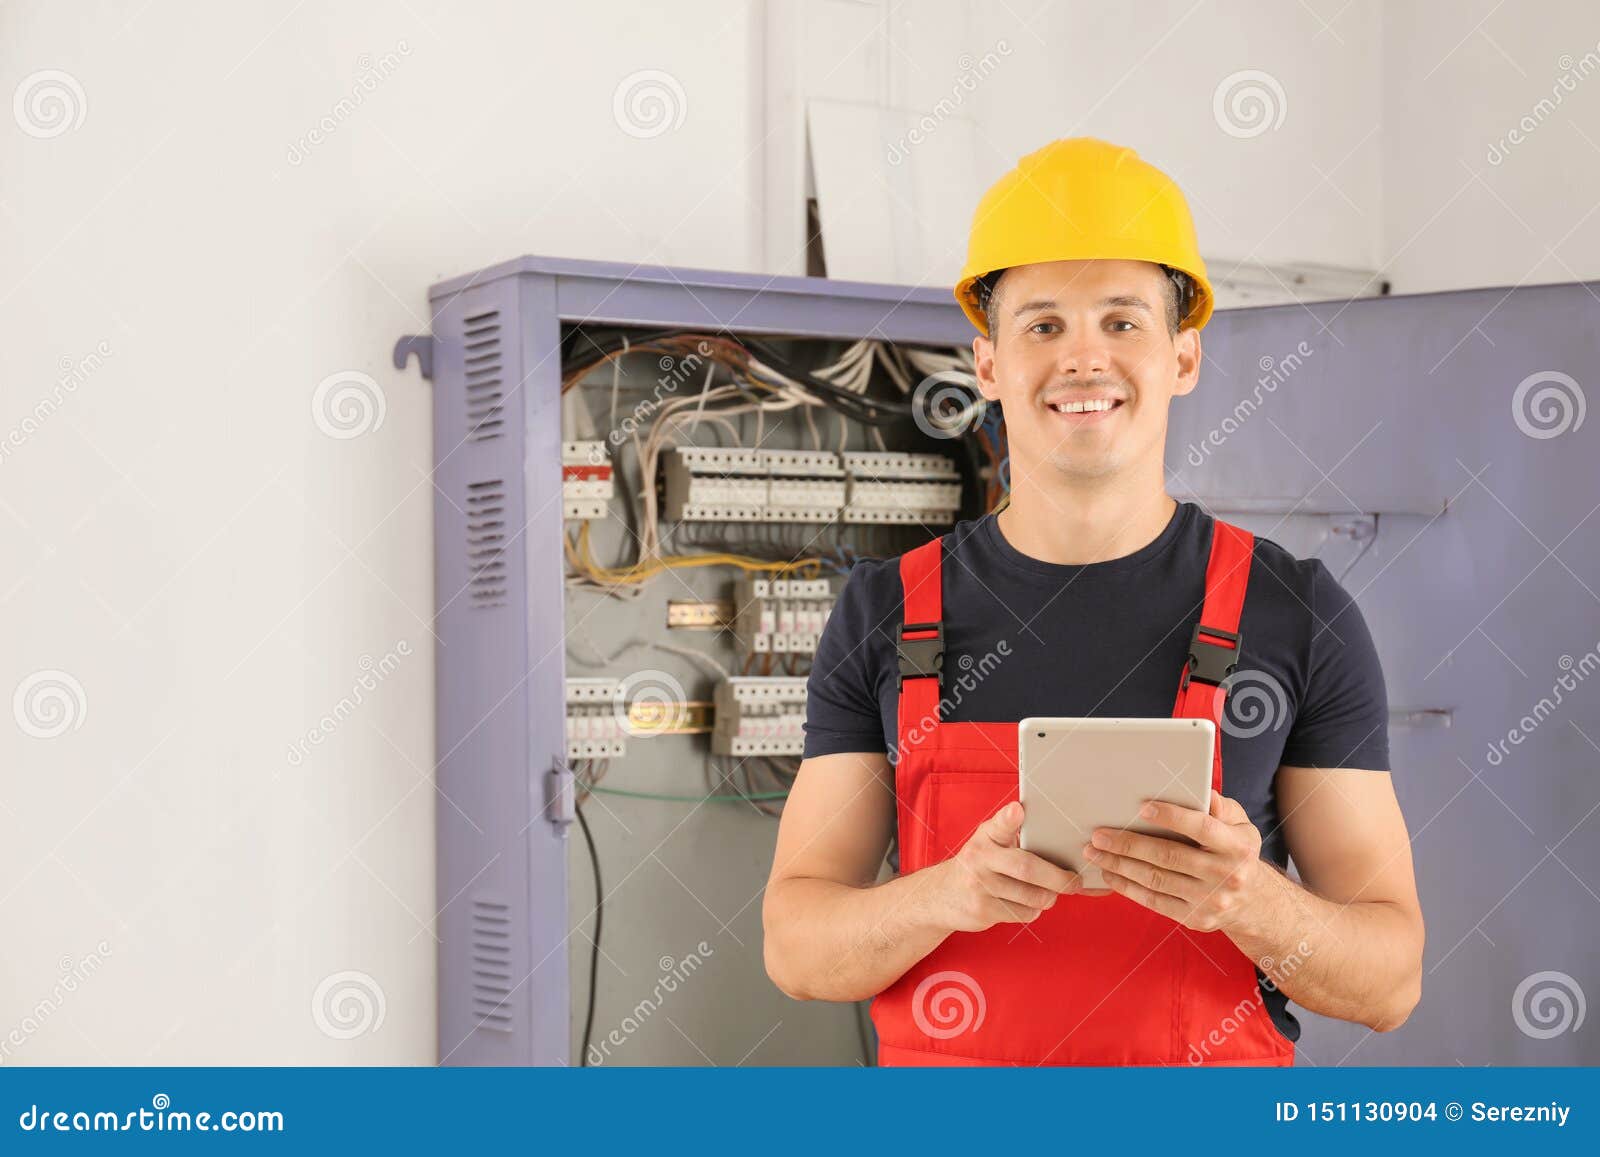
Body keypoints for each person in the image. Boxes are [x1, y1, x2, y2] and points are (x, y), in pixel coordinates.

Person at [761, 137, 1424, 1067]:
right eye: (1041, 325)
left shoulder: (1293, 611)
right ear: (986, 364)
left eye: (1122, 321)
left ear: (1183, 355)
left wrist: (1251, 900)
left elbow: (1391, 980)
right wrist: (946, 893)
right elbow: (795, 943)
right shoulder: (887, 612)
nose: (1082, 359)